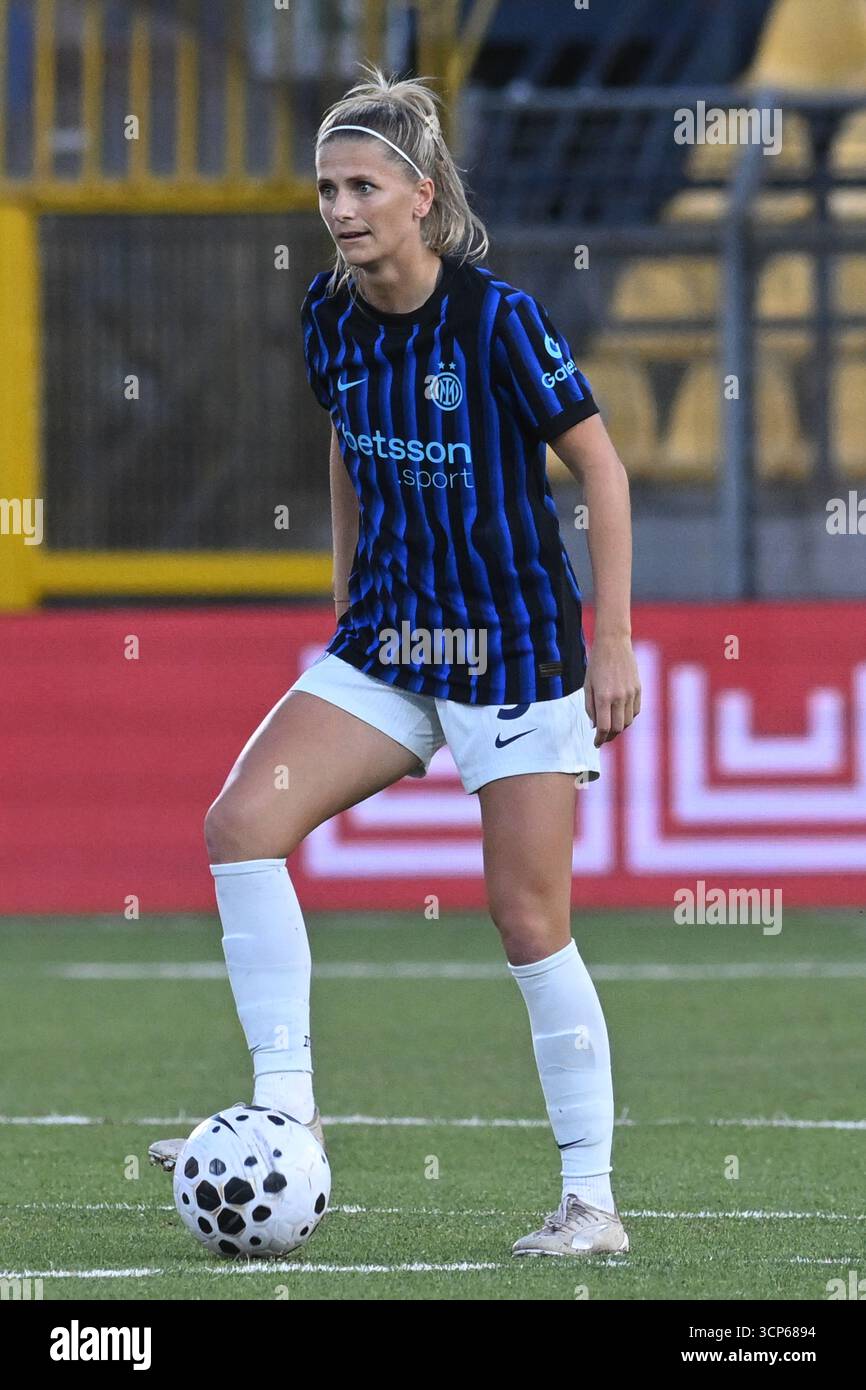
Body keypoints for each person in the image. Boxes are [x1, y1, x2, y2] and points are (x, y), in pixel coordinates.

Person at [150, 63, 641, 1259]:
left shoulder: (495, 320)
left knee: (526, 919)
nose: (340, 207)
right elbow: (343, 450)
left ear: (421, 195)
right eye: (325, 186)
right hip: (387, 644)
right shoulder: (326, 311)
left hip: (513, 656)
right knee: (238, 826)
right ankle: (285, 1108)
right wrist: (342, 600)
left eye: (363, 184)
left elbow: (603, 470)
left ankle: (590, 1202)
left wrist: (611, 640)